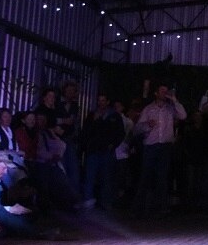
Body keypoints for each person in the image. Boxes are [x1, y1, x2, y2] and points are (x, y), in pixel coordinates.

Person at [134, 84, 187, 216]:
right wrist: (147, 125)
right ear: (156, 93)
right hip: (151, 146)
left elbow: (183, 116)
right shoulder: (149, 109)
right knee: (146, 176)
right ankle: (139, 207)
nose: (165, 93)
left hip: (165, 146)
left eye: (166, 91)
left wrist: (175, 100)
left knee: (162, 177)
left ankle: (161, 208)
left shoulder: (170, 109)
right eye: (162, 91)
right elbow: (137, 129)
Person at [79, 93, 125, 209]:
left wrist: (113, 145)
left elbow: (120, 133)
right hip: (93, 150)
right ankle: (88, 200)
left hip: (107, 151)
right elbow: (85, 131)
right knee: (90, 176)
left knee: (107, 177)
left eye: (103, 100)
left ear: (107, 102)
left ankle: (105, 202)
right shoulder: (92, 115)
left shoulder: (114, 116)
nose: (101, 103)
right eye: (99, 100)